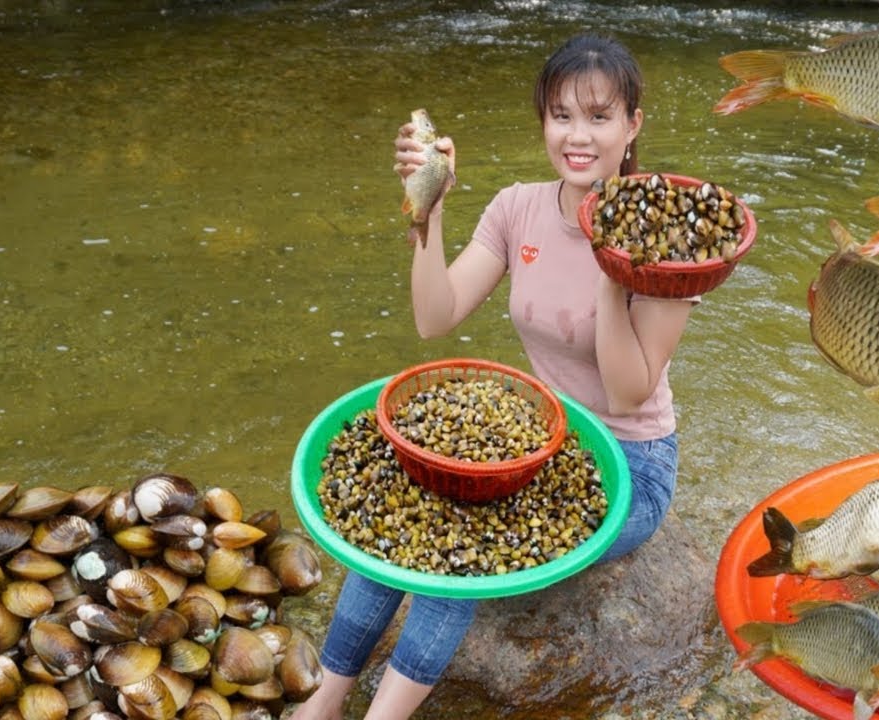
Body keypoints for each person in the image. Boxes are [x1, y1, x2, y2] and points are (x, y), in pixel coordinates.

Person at [290, 32, 692, 720]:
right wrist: (431, 208)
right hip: (540, 443)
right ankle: (322, 702)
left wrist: (610, 270)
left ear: (633, 126)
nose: (578, 135)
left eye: (599, 117)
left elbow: (629, 391)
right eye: (561, 114)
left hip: (628, 461)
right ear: (541, 120)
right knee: (398, 492)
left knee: (464, 534)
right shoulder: (518, 208)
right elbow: (434, 317)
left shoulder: (659, 233)